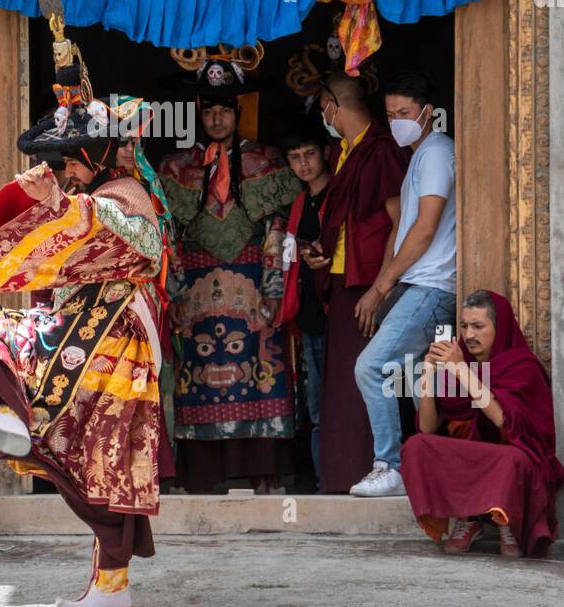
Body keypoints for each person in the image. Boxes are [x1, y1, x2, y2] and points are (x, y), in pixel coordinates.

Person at [0, 26, 168, 607]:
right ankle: (17, 421)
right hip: (77, 333)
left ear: (94, 158)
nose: (64, 172)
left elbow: (133, 239)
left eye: (69, 162)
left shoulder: (126, 194)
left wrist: (67, 206)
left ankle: (108, 577)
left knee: (98, 459)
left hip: (112, 342)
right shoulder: (97, 190)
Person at [159, 48, 298, 494]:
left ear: (240, 112)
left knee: (259, 371)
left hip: (252, 285)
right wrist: (174, 293)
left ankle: (263, 472)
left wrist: (274, 287)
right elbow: (167, 237)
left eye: (225, 110)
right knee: (197, 379)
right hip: (194, 293)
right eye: (210, 110)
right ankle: (203, 476)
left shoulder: (268, 162)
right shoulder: (175, 167)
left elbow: (279, 228)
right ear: (199, 113)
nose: (217, 119)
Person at [349, 72, 458, 496]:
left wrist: (381, 287)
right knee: (417, 384)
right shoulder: (418, 155)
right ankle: (432, 469)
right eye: (391, 114)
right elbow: (405, 224)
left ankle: (389, 465)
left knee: (372, 366)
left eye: (405, 114)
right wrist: (387, 284)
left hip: (432, 289)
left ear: (428, 113)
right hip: (418, 287)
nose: (397, 122)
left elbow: (426, 228)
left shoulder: (435, 154)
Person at [401, 290, 564, 557]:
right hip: (472, 457)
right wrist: (428, 378)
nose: (469, 335)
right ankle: (468, 517)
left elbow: (501, 418)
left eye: (478, 326)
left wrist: (461, 371)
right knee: (416, 445)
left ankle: (507, 520)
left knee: (511, 460)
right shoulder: (460, 363)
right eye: (465, 326)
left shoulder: (522, 366)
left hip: (511, 461)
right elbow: (427, 428)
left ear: (499, 328)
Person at [303, 71, 408, 493]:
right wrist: (324, 257)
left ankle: (379, 469)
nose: (322, 115)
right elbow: (350, 223)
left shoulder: (381, 150)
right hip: (346, 281)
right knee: (343, 385)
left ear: (332, 104)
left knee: (366, 379)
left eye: (323, 106)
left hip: (371, 288)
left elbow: (399, 224)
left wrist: (380, 289)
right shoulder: (343, 151)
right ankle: (344, 476)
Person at [280, 122, 331, 486]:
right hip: (310, 315)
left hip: (337, 313)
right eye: (295, 158)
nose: (303, 165)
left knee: (341, 397)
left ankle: (341, 470)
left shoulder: (338, 194)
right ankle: (322, 478)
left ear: (325, 153)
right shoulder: (299, 203)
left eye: (309, 154)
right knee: (315, 405)